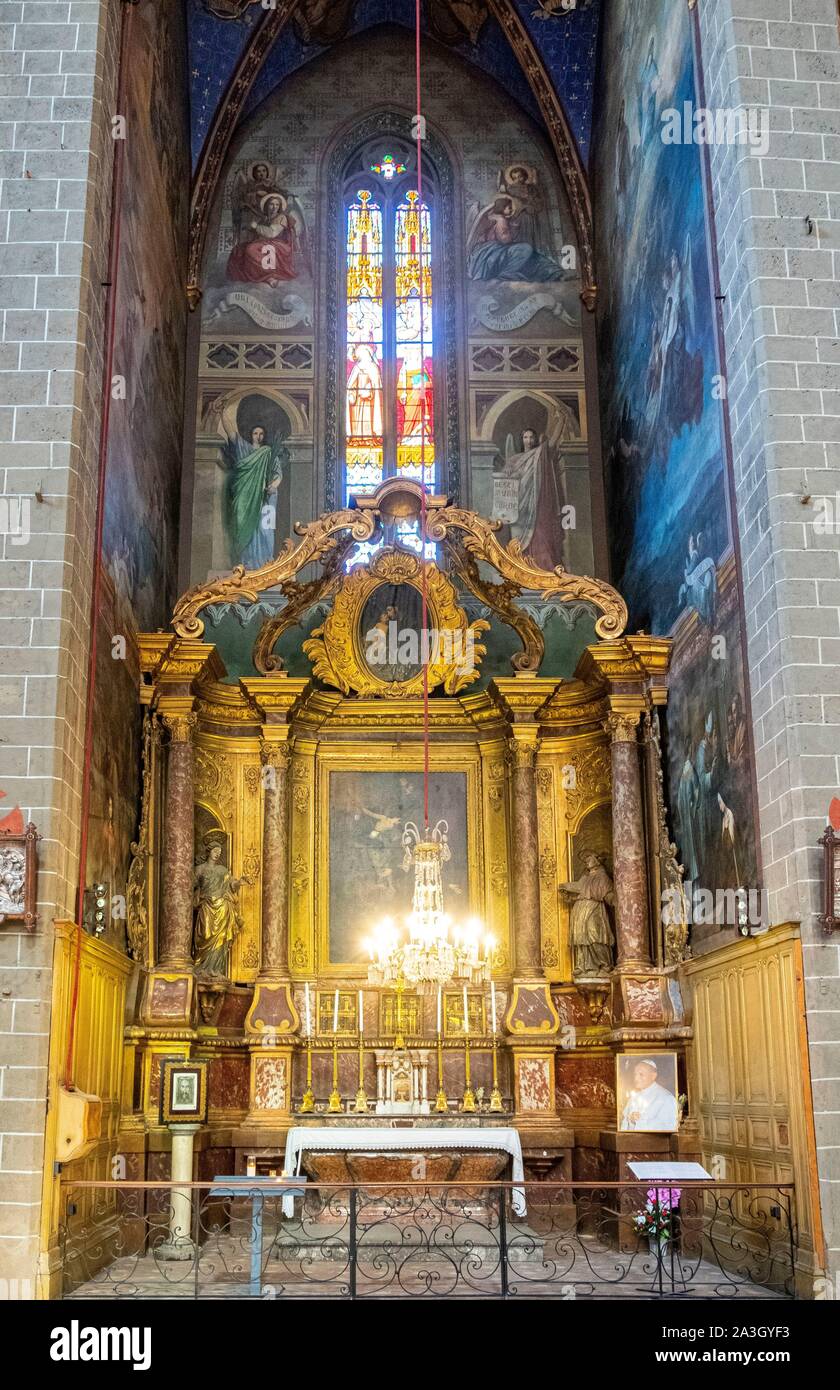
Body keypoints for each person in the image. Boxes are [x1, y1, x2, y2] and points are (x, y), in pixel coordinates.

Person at [223, 423, 285, 568]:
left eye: (261, 433)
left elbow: (278, 474)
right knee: (246, 529)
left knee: (265, 530)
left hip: (265, 499)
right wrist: (221, 411)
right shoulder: (244, 449)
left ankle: (265, 563)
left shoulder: (268, 453)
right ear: (251, 435)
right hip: (246, 497)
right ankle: (247, 564)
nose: (258, 436)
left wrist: (273, 486)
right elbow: (232, 435)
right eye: (255, 433)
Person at [467, 197, 567, 283]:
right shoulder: (501, 220)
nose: (511, 210)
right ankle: (507, 274)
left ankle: (554, 273)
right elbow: (504, 239)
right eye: (509, 208)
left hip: (490, 251)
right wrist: (514, 230)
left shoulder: (493, 217)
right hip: (494, 250)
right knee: (525, 249)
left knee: (530, 254)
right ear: (502, 207)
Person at [193, 834, 246, 979]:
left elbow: (231, 884)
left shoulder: (223, 870)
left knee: (220, 939)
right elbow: (189, 886)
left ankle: (215, 970)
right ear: (209, 851)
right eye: (215, 851)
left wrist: (238, 882)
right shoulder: (200, 869)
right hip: (206, 907)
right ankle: (202, 967)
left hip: (222, 907)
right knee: (205, 935)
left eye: (220, 853)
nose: (217, 854)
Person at [559, 851, 616, 978]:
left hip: (594, 908)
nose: (586, 860)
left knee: (595, 936)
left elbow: (608, 893)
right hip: (580, 909)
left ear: (597, 860)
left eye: (588, 857)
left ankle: (604, 964)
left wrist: (616, 901)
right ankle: (582, 965)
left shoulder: (602, 877)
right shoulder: (585, 878)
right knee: (581, 937)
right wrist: (565, 888)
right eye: (585, 859)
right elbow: (578, 888)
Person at [227, 192, 299, 286]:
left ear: (280, 206)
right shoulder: (266, 218)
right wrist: (251, 229)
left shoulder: (282, 217)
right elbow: (260, 233)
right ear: (266, 206)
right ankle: (246, 275)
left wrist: (256, 226)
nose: (274, 207)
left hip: (279, 245)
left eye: (277, 205)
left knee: (251, 249)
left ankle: (268, 276)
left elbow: (271, 233)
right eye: (271, 204)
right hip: (266, 242)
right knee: (238, 249)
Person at [621, 1059, 678, 1131]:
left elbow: (668, 1127)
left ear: (653, 1076)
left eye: (641, 1074)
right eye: (635, 1074)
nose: (636, 1078)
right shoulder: (634, 1097)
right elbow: (624, 1126)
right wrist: (631, 1121)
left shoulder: (666, 1098)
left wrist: (639, 1121)